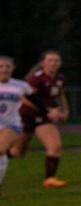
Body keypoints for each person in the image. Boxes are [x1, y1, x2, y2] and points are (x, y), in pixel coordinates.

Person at [7, 50, 70, 188]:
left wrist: (65, 110)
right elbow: (24, 99)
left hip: (44, 117)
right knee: (18, 152)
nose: (53, 63)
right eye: (50, 60)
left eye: (56, 60)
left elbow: (60, 94)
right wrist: (46, 110)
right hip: (26, 116)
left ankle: (50, 179)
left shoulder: (59, 79)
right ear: (43, 63)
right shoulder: (36, 78)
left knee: (55, 146)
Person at [0, 56, 31, 196]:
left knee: (0, 149)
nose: (4, 69)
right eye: (1, 66)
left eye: (7, 66)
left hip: (12, 124)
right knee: (1, 156)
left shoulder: (21, 85)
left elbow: (35, 100)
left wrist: (50, 111)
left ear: (13, 68)